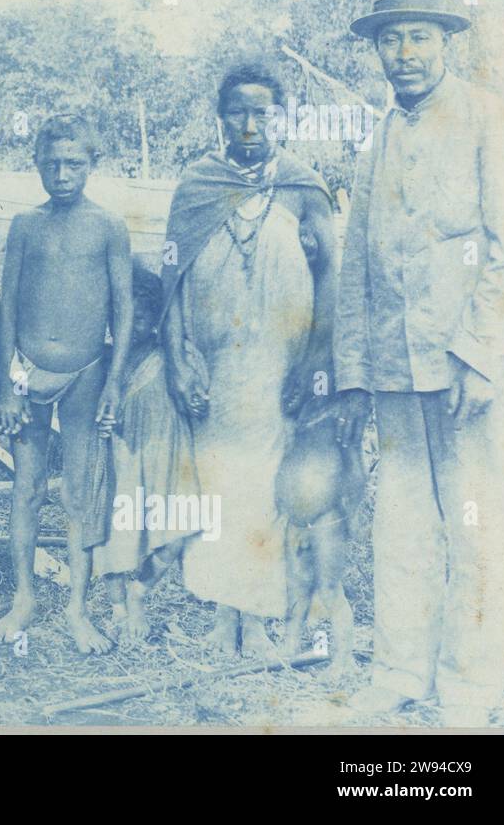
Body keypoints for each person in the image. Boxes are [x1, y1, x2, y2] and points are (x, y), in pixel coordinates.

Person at [334, 0, 504, 726]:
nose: (403, 54)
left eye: (418, 38)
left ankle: (472, 684)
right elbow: (357, 265)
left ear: (446, 42)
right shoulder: (379, 136)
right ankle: (402, 667)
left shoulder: (486, 121)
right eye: (390, 41)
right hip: (393, 370)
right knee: (401, 523)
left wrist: (479, 354)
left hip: (468, 367)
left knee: (475, 522)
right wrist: (352, 373)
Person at [161, 64, 336, 658]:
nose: (250, 123)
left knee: (266, 484)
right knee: (217, 479)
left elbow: (331, 275)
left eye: (263, 112)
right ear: (220, 117)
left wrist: (315, 357)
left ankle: (258, 620)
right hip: (213, 366)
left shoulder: (303, 185)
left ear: (280, 117)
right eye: (238, 110)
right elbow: (172, 279)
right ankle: (219, 619)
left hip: (278, 364)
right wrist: (179, 356)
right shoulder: (196, 185)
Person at [0, 115, 132, 654]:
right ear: (37, 165)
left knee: (79, 494)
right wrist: (8, 383)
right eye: (52, 163)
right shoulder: (26, 225)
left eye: (74, 163)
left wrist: (114, 383)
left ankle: (78, 608)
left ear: (92, 164)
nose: (63, 173)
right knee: (26, 490)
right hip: (27, 373)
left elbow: (122, 312)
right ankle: (23, 598)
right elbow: (6, 308)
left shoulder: (107, 226)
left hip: (86, 374)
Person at [92, 260, 200, 643]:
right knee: (117, 537)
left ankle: (141, 592)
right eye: (122, 317)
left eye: (143, 317)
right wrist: (102, 421)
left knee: (178, 531)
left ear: (157, 318)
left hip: (168, 457)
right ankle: (119, 608)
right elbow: (93, 412)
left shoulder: (169, 357)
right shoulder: (105, 363)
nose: (132, 325)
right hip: (124, 459)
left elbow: (198, 391)